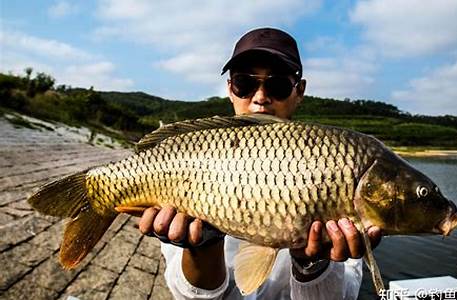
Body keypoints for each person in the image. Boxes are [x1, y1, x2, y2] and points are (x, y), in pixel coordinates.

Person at [138, 27, 382, 300]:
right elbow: (189, 296)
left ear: (299, 91)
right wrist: (203, 247)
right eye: (245, 83)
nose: (260, 97)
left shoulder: (337, 162)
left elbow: (345, 295)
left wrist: (313, 263)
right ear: (230, 89)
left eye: (277, 85)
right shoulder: (194, 158)